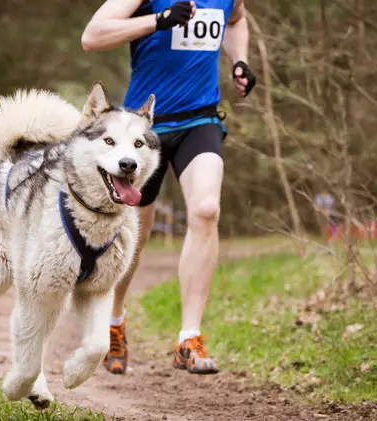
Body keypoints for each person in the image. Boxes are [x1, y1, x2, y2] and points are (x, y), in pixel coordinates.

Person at [81, 0, 256, 375]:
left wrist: (239, 60)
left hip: (201, 120)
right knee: (135, 238)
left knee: (207, 210)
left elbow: (237, 20)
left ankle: (188, 339)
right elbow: (92, 36)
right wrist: (157, 20)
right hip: (144, 129)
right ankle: (114, 322)